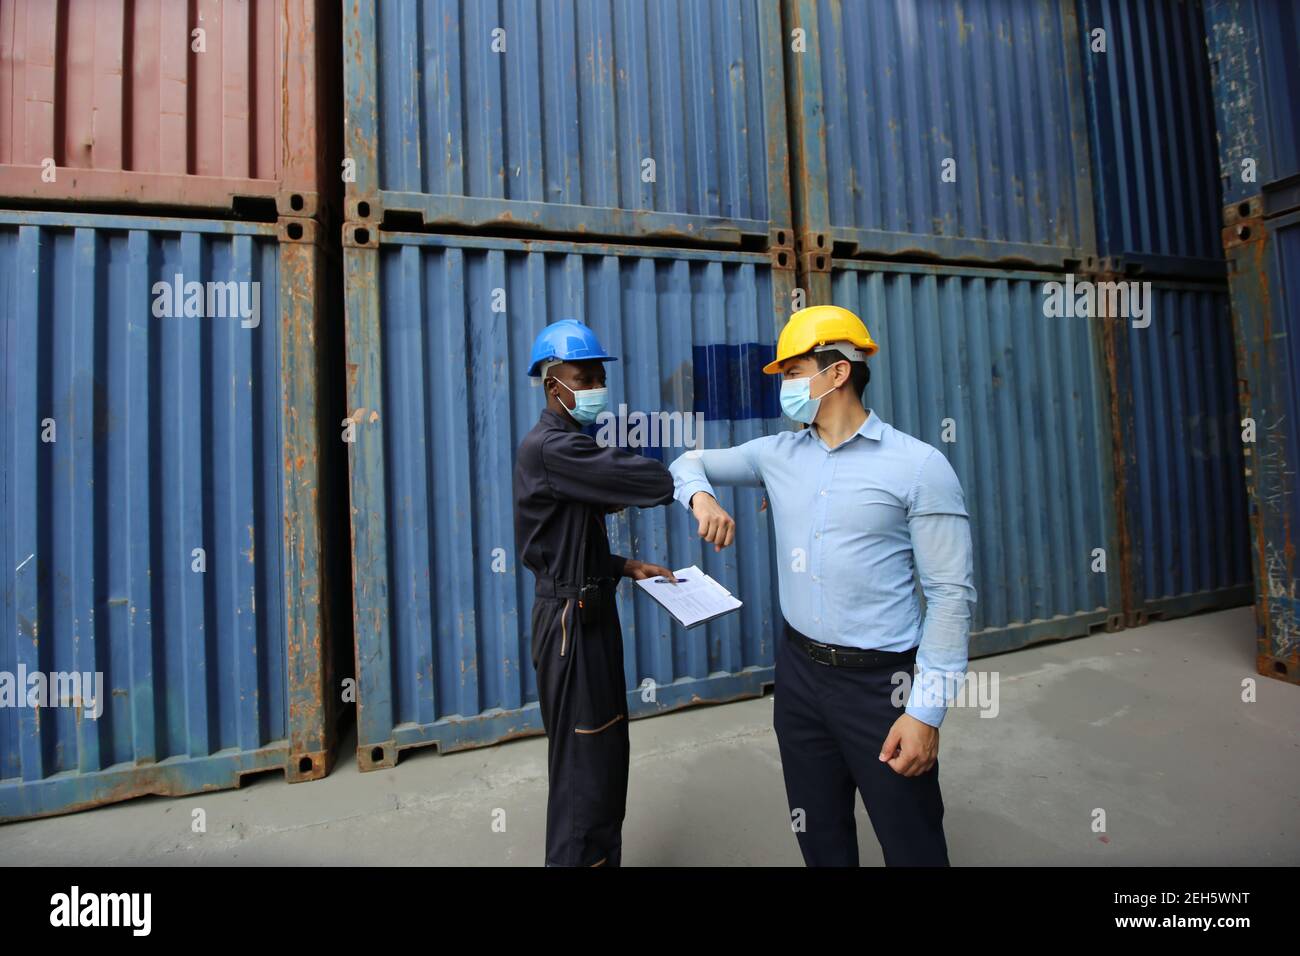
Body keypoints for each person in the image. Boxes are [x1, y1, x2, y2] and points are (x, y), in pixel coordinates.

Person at [668, 304, 976, 866]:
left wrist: (926, 713)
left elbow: (952, 597)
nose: (784, 386)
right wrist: (702, 498)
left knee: (913, 844)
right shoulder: (775, 455)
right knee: (820, 835)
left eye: (792, 372)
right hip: (801, 678)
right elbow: (687, 462)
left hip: (883, 688)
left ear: (836, 373)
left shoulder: (919, 467)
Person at [513, 318, 677, 867]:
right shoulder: (553, 448)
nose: (593, 390)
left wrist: (627, 565)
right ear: (551, 383)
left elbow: (564, 540)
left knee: (604, 754)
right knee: (584, 768)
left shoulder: (570, 446)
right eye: (582, 379)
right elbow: (646, 480)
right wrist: (692, 479)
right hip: (569, 622)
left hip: (589, 607)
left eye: (596, 378)